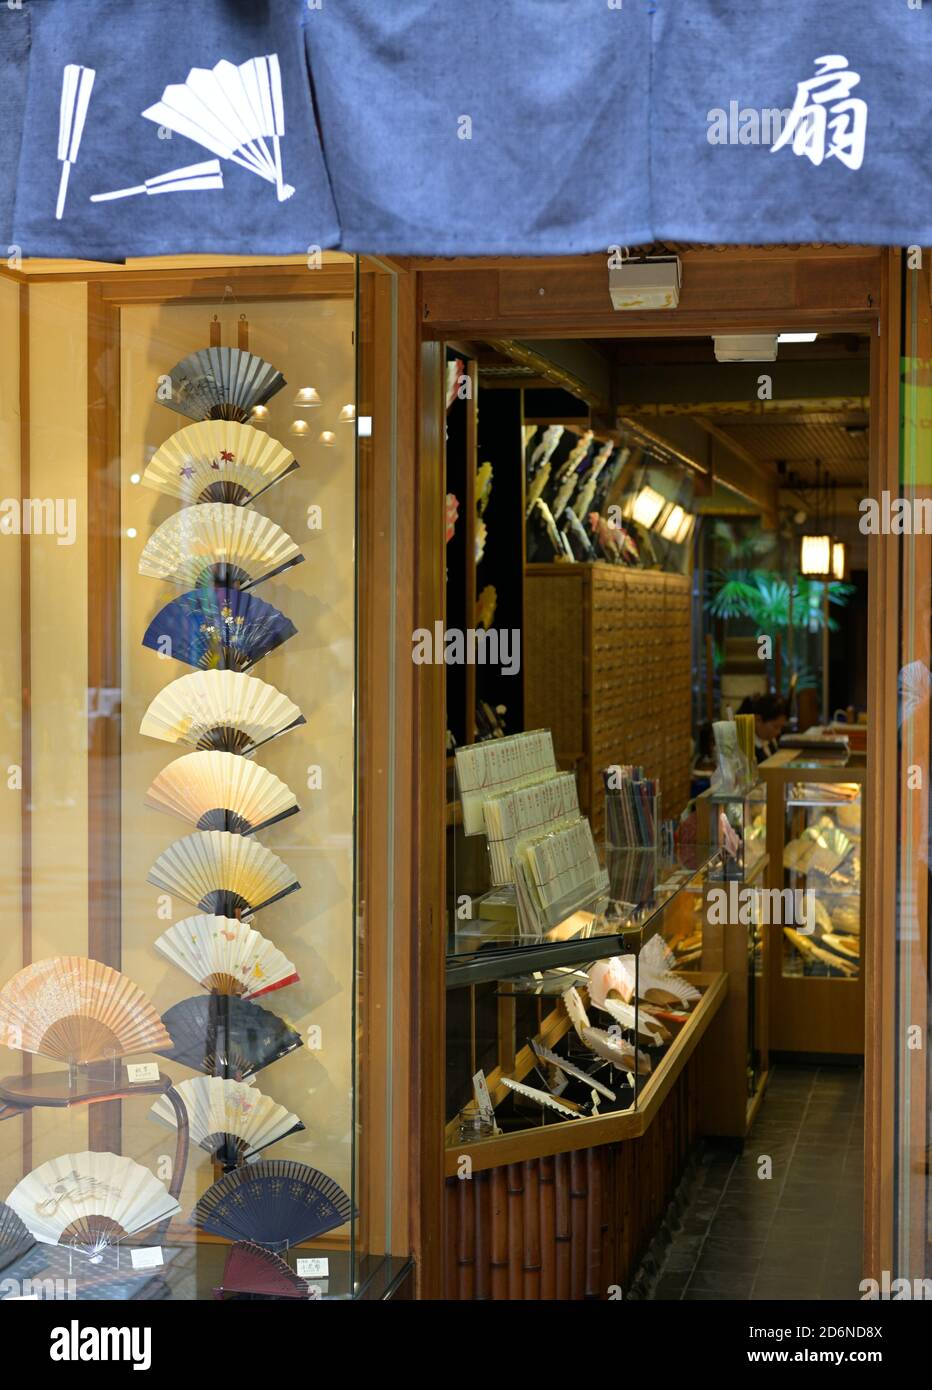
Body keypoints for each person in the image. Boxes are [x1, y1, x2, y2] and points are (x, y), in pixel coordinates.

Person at [737, 693, 789, 762]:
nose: (779, 731)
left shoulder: (770, 740)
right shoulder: (746, 748)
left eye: (781, 727)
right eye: (775, 727)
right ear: (758, 720)